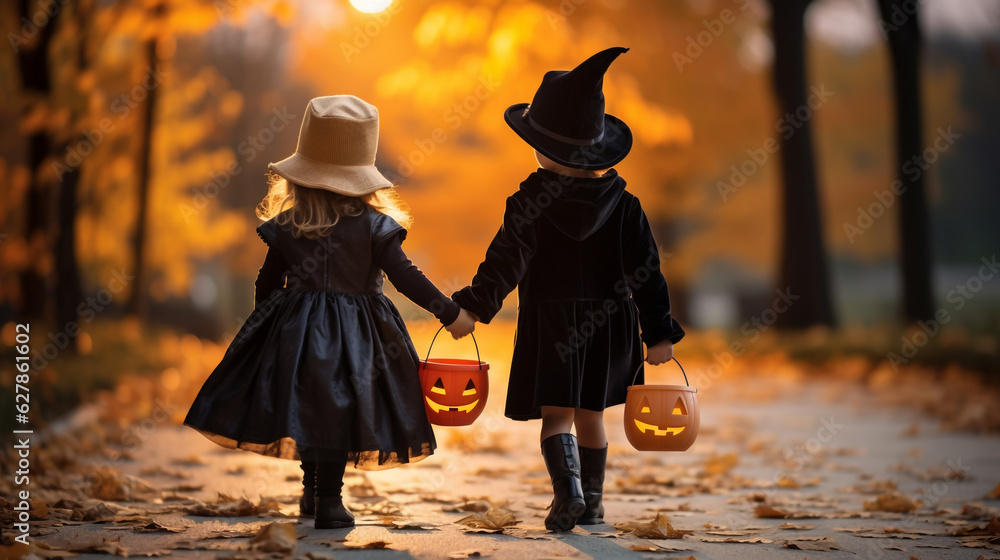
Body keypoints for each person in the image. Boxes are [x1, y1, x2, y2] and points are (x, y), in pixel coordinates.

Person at [184, 95, 476, 529]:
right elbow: (406, 277)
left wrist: (266, 324)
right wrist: (451, 314)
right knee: (339, 407)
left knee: (311, 403)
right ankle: (328, 500)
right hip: (361, 335)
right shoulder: (376, 226)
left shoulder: (291, 223)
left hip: (296, 329)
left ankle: (311, 490)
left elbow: (267, 282)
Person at [450, 47, 685, 531]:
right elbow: (647, 270)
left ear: (544, 149)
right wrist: (658, 332)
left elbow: (504, 261)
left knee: (556, 417)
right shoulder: (626, 206)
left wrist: (474, 307)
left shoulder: (527, 202)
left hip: (552, 320)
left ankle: (568, 494)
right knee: (591, 415)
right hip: (609, 324)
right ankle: (593, 502)